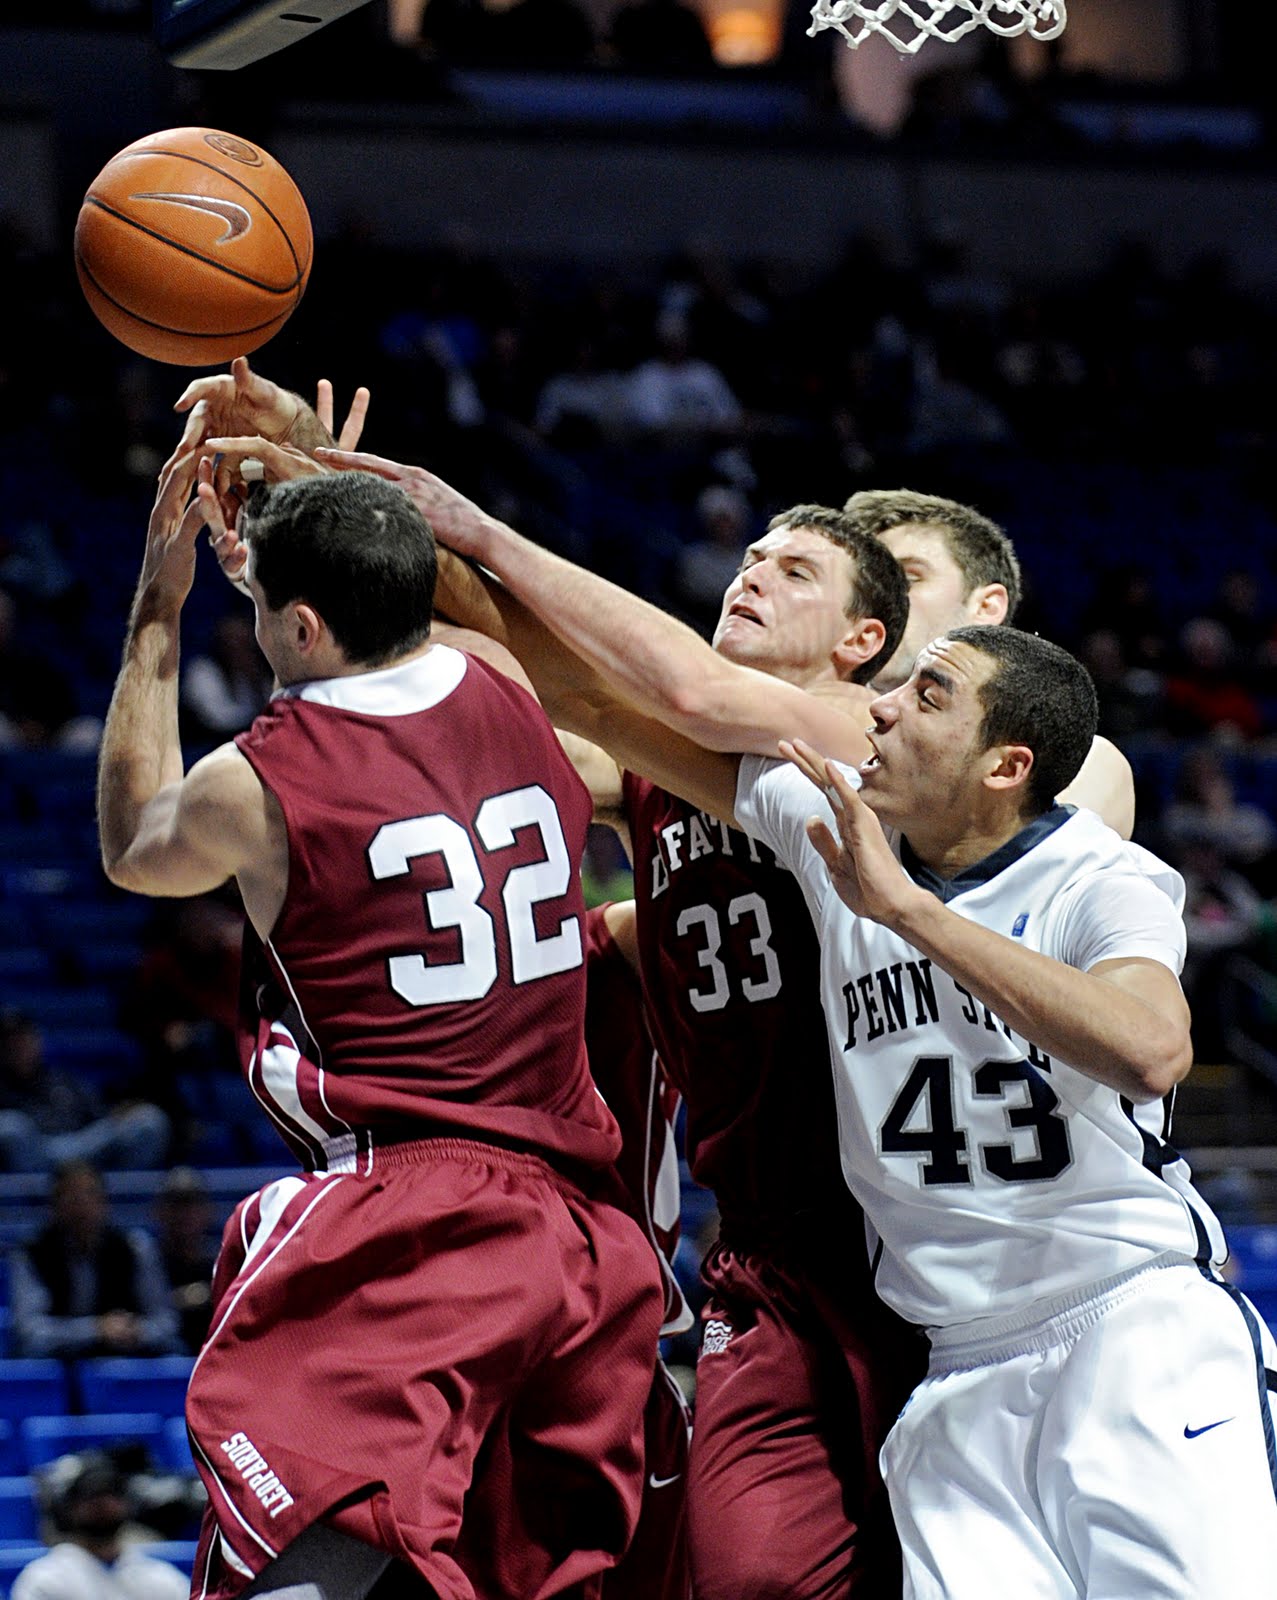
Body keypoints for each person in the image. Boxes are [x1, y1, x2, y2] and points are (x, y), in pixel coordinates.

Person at [96, 453, 664, 1599]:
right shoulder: (505, 683)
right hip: (581, 1234)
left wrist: (158, 606)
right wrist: (325, 520)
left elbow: (132, 842)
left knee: (293, 1546)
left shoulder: (256, 782)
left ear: (301, 625)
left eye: (263, 606)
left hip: (411, 1218)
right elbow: (402, 616)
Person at [734, 626, 1277, 1597]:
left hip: (1129, 1328)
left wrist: (909, 912)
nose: (880, 707)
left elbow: (1151, 1052)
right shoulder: (836, 828)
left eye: (927, 693)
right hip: (954, 1371)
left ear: (1005, 765)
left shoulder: (1098, 878)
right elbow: (643, 706)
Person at [839, 488, 1137, 837]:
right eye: (868, 585)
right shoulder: (800, 713)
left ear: (986, 606)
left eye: (908, 578)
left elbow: (1008, 865)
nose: (881, 600)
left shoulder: (1088, 763)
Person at [10, 1160, 182, 1360]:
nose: (81, 1206)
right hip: (58, 1359)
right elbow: (30, 1330)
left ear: (105, 1203)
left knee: (174, 1350)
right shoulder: (32, 1253)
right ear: (54, 1206)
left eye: (90, 1195)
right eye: (71, 1197)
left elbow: (166, 1323)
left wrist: (135, 1331)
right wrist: (96, 1330)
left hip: (125, 1357)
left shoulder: (134, 1248)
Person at [0, 1008, 171, 1175]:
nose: (19, 1048)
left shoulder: (62, 1078)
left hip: (87, 1146)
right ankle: (37, 1189)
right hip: (39, 1154)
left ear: (37, 1041)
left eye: (23, 1039)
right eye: (11, 1043)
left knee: (149, 1118)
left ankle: (122, 1188)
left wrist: (117, 1116)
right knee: (10, 1125)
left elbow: (100, 1116)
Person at [14, 1451, 189, 1600]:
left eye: (111, 1495)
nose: (103, 1505)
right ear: (70, 1507)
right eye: (92, 1498)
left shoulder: (161, 1578)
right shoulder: (44, 1579)